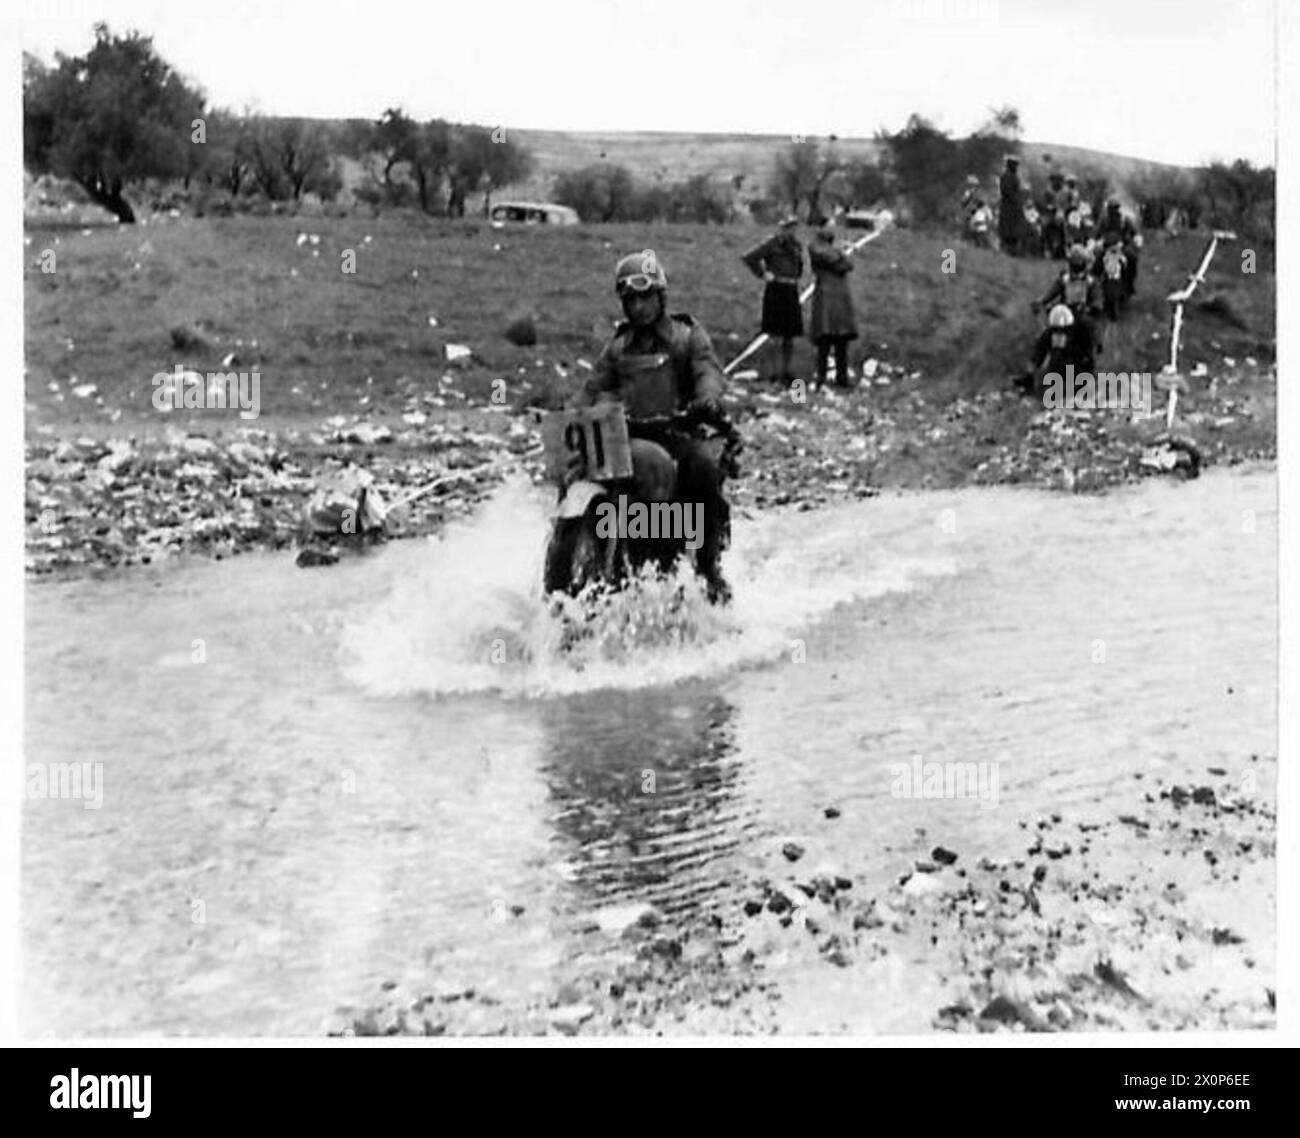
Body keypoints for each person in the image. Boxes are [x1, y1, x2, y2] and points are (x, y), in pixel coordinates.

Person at [573, 250, 738, 603]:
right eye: (631, 299)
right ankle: (587, 554)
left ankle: (707, 564)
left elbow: (707, 370)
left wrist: (706, 399)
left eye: (645, 297)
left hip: (678, 433)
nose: (639, 306)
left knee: (704, 469)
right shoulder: (617, 348)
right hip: (628, 438)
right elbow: (595, 386)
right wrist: (578, 411)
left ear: (659, 295)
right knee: (587, 474)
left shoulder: (687, 336)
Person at [742, 215, 804, 383]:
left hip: (791, 290)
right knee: (775, 332)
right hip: (776, 289)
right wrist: (763, 274)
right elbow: (749, 257)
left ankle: (787, 371)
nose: (791, 230)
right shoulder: (772, 243)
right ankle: (774, 372)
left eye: (793, 227)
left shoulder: (796, 246)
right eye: (787, 227)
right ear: (781, 228)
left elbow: (799, 267)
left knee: (789, 334)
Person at [808, 223, 859, 388]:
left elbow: (848, 265)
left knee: (842, 339)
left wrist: (841, 254)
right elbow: (830, 258)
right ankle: (821, 377)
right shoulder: (816, 248)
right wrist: (841, 252)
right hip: (825, 296)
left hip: (841, 297)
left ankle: (841, 377)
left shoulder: (834, 251)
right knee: (825, 338)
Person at [1034, 243, 1104, 364]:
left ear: (1085, 263)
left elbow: (1097, 297)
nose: (1076, 264)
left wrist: (1094, 306)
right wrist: (1041, 301)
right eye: (1074, 260)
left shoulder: (1091, 281)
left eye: (1079, 261)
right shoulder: (1064, 279)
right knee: (1045, 335)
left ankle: (1087, 357)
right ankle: (1032, 370)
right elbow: (1052, 292)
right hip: (1064, 313)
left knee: (1087, 327)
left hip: (1082, 313)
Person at [999, 155, 1025, 255]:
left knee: (1015, 228)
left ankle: (1014, 249)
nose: (1016, 167)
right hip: (1008, 206)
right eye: (1014, 165)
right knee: (1008, 228)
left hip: (1014, 206)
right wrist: (1016, 200)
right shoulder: (1006, 176)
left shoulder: (1014, 176)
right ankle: (1007, 249)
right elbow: (1007, 191)